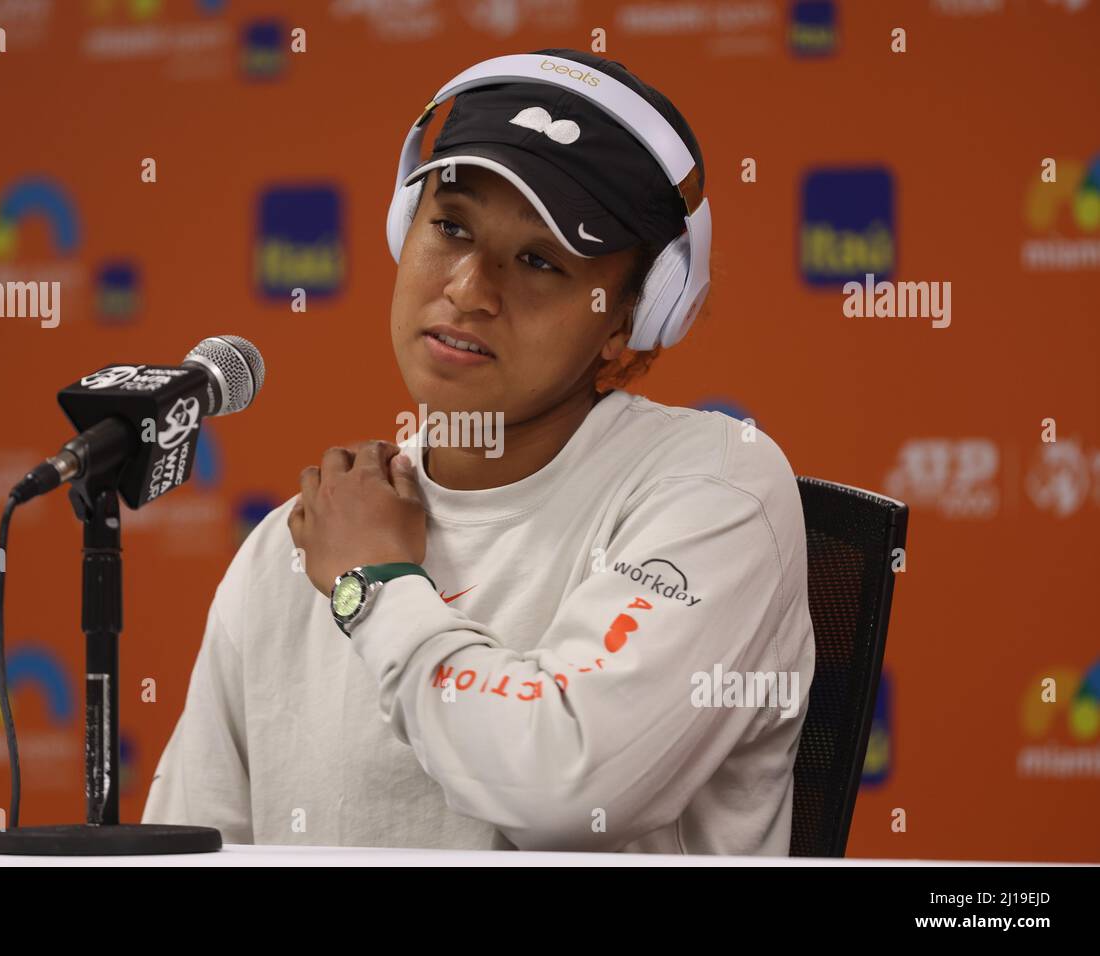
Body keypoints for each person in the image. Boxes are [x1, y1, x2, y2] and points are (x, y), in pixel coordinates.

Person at [142, 49, 815, 854]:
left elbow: (564, 785)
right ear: (403, 229)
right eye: (451, 227)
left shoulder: (716, 487)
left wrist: (375, 587)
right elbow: (192, 846)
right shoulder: (289, 547)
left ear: (633, 318)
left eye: (539, 261)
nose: (469, 287)